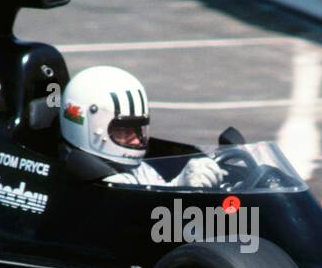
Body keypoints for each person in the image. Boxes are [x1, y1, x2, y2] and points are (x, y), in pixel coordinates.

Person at [59, 66, 226, 187]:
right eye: (124, 131)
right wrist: (180, 185)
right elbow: (134, 208)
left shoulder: (139, 168)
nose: (137, 141)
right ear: (91, 128)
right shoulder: (90, 179)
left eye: (139, 130)